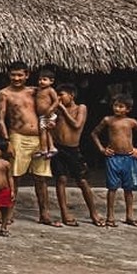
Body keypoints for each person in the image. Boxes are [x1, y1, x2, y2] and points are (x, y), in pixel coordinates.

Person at [0, 61, 57, 227]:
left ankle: (44, 213)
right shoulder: (4, 94)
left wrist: (51, 121)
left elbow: (51, 105)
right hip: (17, 136)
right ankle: (8, 213)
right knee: (14, 177)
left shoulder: (35, 91)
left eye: (20, 75)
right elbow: (0, 119)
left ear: (27, 75)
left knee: (41, 177)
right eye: (13, 75)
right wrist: (6, 141)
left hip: (39, 137)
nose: (16, 78)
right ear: (8, 75)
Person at [91, 95, 137, 228]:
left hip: (129, 158)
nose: (117, 108)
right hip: (113, 157)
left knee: (128, 189)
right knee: (112, 188)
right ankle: (110, 217)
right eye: (115, 105)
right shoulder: (108, 120)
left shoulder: (131, 122)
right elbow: (94, 133)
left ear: (128, 109)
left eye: (121, 106)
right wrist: (102, 149)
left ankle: (130, 216)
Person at [52, 84, 104, 226]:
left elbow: (76, 125)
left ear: (71, 95)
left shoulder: (80, 108)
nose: (59, 98)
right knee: (61, 179)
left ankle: (93, 212)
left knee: (82, 181)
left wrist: (63, 110)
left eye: (61, 95)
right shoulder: (56, 110)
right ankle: (65, 213)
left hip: (73, 149)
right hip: (57, 148)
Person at [34, 67, 61, 158]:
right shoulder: (38, 90)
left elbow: (56, 101)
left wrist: (50, 109)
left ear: (51, 81)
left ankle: (45, 149)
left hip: (49, 115)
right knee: (45, 132)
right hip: (42, 116)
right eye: (39, 79)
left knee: (46, 131)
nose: (41, 81)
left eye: (44, 79)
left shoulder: (50, 90)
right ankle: (49, 148)